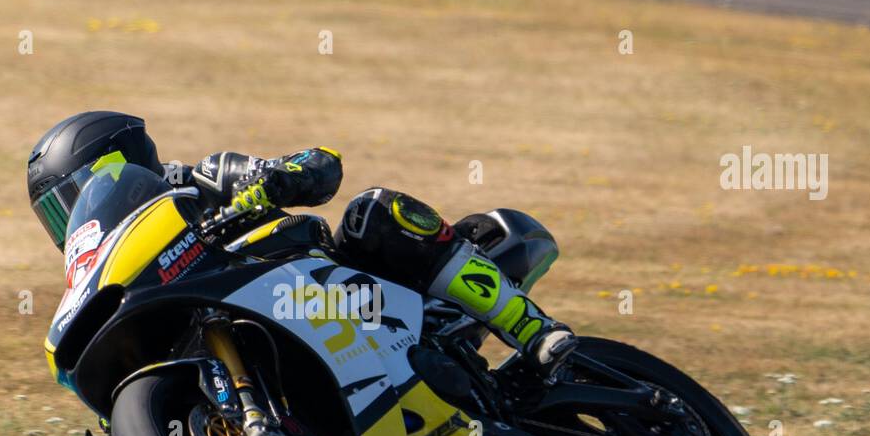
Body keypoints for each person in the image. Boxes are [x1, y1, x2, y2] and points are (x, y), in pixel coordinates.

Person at [28, 111, 577, 371]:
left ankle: (530, 327)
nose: (74, 215)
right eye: (57, 211)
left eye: (75, 191)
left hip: (326, 290)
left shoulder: (198, 182)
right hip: (260, 337)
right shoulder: (109, 275)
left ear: (122, 165)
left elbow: (321, 166)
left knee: (374, 210)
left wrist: (272, 180)